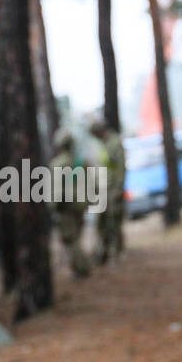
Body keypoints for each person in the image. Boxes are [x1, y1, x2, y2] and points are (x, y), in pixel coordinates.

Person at [50, 127, 92, 278]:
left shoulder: (58, 164)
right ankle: (79, 267)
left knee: (70, 239)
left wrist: (52, 208)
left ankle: (82, 267)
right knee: (76, 238)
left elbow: (55, 191)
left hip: (66, 207)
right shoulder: (80, 161)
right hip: (81, 205)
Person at [90, 117, 125, 263]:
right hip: (101, 191)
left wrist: (118, 189)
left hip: (112, 190)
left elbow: (120, 168)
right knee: (101, 224)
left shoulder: (115, 142)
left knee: (113, 223)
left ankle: (116, 253)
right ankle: (102, 254)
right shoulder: (101, 144)